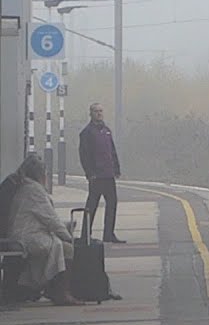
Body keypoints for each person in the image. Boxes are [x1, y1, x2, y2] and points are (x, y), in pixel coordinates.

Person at [6, 155, 81, 305]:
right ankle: (61, 293)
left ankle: (50, 289)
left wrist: (63, 228)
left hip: (21, 233)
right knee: (67, 248)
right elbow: (50, 219)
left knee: (58, 245)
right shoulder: (34, 191)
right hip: (27, 237)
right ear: (41, 174)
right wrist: (68, 236)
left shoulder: (25, 187)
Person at [79, 102, 126, 243]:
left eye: (101, 111)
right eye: (96, 111)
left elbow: (112, 151)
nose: (99, 113)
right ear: (91, 113)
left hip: (108, 175)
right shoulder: (86, 133)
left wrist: (116, 169)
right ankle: (85, 234)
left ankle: (109, 234)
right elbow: (84, 155)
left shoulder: (107, 130)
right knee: (92, 205)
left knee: (112, 204)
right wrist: (89, 173)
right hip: (96, 176)